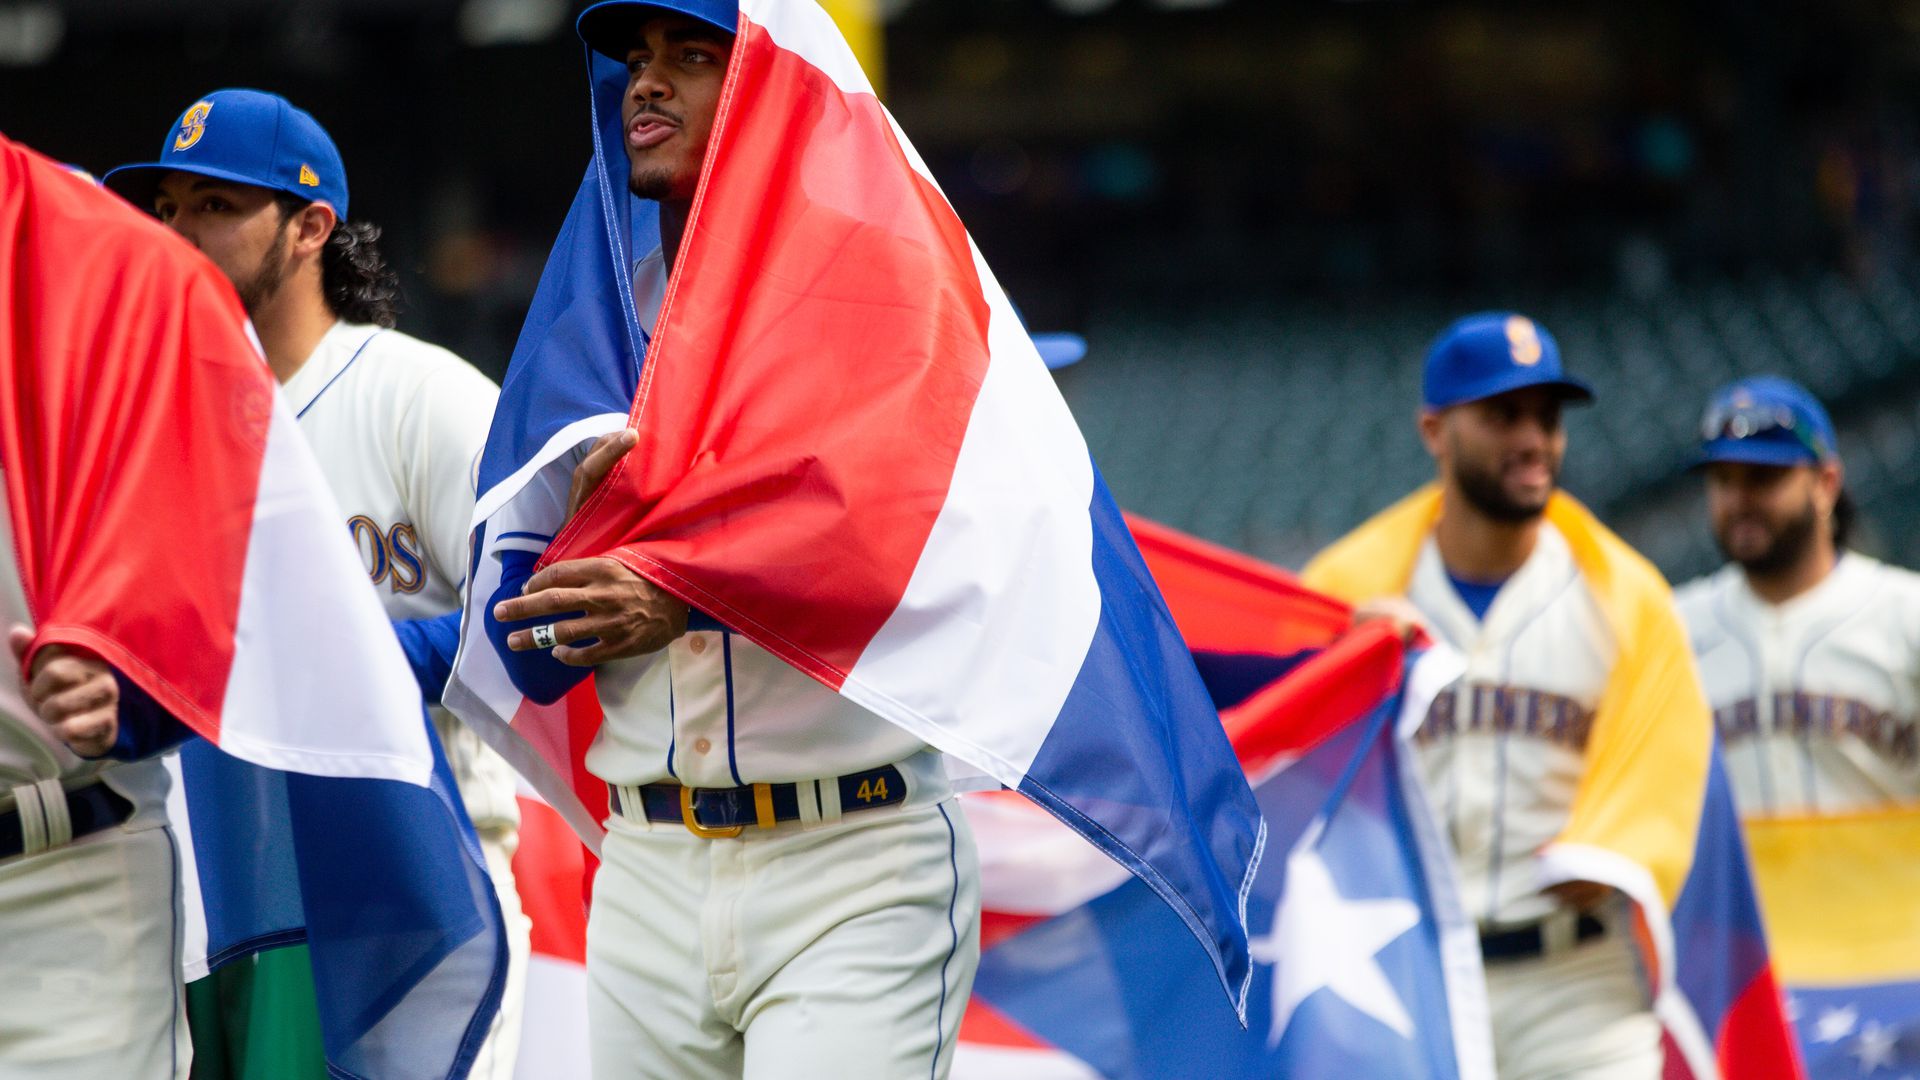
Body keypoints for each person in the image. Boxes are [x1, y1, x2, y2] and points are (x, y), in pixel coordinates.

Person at [481, 2, 982, 1076]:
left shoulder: (879, 285)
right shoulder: (595, 317)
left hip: (853, 857)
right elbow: (518, 636)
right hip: (647, 863)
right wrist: (570, 570)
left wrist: (675, 588)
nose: (647, 83)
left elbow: (914, 543)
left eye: (692, 57)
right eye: (635, 59)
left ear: (770, 86)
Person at [103, 90, 528, 1079]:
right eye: (166, 209)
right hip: (216, 897)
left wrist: (351, 655)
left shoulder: (421, 397)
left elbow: (533, 621)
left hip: (413, 883)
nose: (177, 233)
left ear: (310, 227)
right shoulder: (150, 425)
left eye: (214, 205)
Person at [1302, 312, 1712, 1080]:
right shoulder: (1351, 597)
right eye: (1502, 415)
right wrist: (1345, 660)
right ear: (1435, 430)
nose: (1533, 438)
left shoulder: (1623, 601)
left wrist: (1617, 854)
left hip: (1577, 984)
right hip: (1402, 970)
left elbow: (1669, 771)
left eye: (1547, 417)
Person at [1674, 376, 1920, 814]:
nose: (1739, 499)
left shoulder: (1906, 614)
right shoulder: (1673, 629)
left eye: (1764, 477)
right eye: (1723, 479)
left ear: (1826, 483)